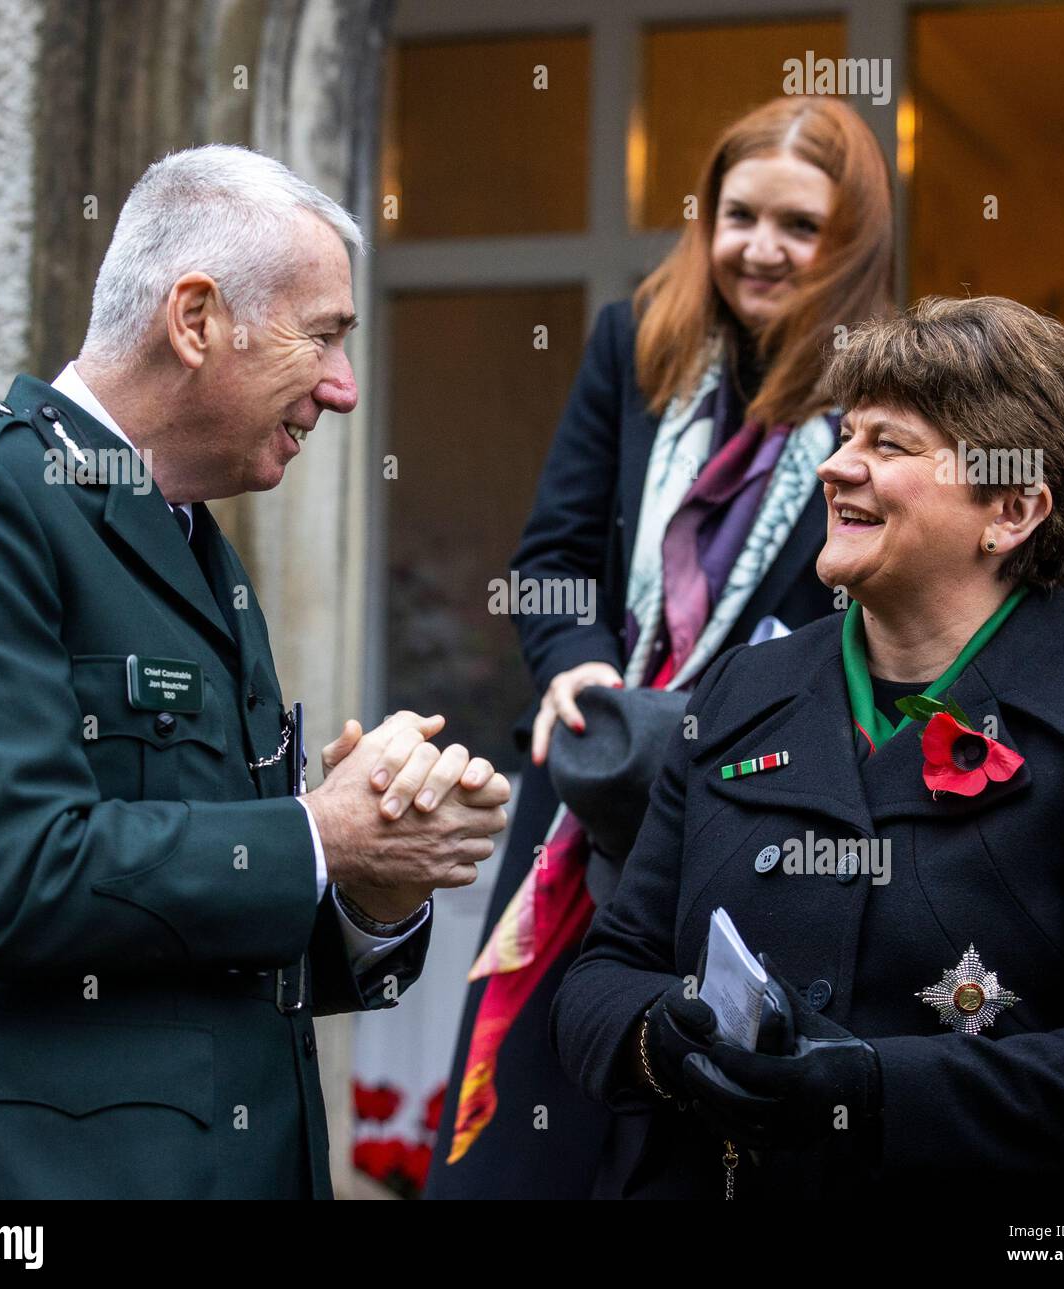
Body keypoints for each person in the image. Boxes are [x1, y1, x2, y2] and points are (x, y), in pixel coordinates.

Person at [0, 144, 510, 1200]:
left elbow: (211, 937)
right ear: (195, 320)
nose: (344, 386)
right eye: (323, 335)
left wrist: (376, 880)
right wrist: (320, 830)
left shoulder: (193, 544)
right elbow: (9, 876)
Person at [552, 295, 1064, 1200]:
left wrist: (870, 1090)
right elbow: (603, 975)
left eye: (887, 446)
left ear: (1010, 509)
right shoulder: (739, 690)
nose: (836, 467)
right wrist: (664, 1038)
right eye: (845, 435)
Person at [429, 96, 894, 1199]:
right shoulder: (634, 343)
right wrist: (573, 662)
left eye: (798, 226)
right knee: (525, 1134)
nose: (761, 249)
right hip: (594, 777)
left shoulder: (883, 390)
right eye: (739, 215)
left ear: (849, 243)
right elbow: (549, 555)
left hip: (761, 796)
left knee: (693, 1112)